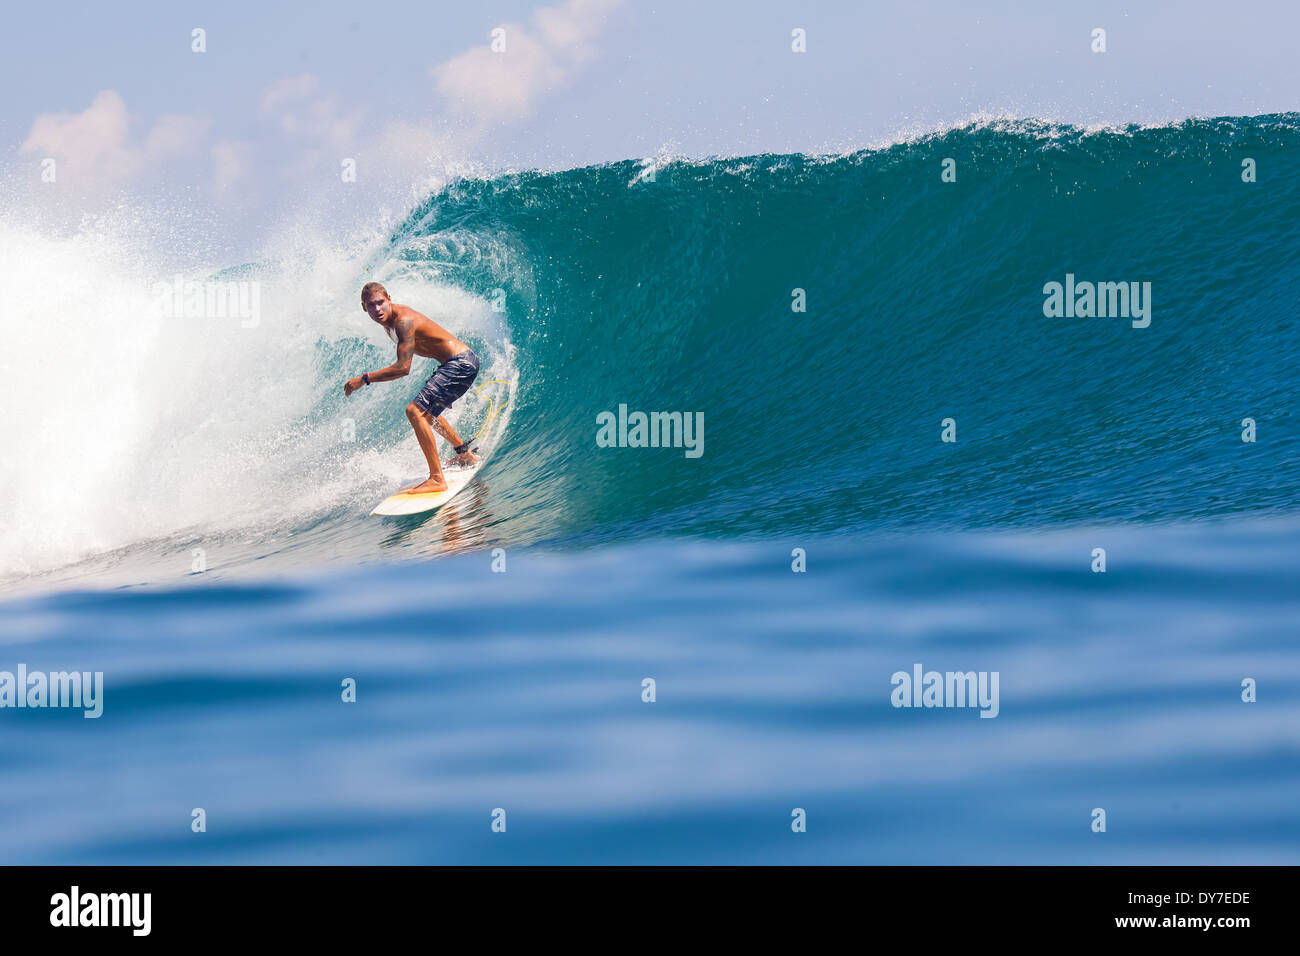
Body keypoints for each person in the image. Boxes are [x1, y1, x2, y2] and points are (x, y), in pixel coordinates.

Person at [344, 282, 480, 493]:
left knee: (414, 411)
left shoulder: (403, 321)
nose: (377, 309)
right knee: (425, 414)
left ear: (389, 298)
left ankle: (437, 479)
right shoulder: (389, 322)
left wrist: (364, 378)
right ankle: (465, 455)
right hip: (457, 363)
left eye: (380, 303)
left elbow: (402, 368)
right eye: (371, 305)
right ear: (364, 308)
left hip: (460, 363)